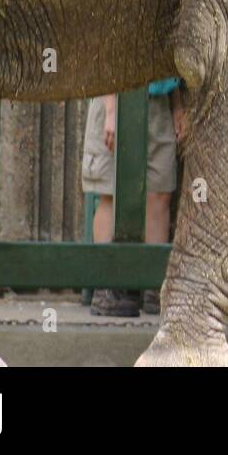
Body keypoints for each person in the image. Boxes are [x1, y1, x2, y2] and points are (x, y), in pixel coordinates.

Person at [81, 78, 184, 316]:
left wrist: (177, 106)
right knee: (109, 193)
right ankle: (107, 285)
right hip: (114, 98)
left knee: (159, 193)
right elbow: (101, 55)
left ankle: (152, 282)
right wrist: (110, 109)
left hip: (159, 102)